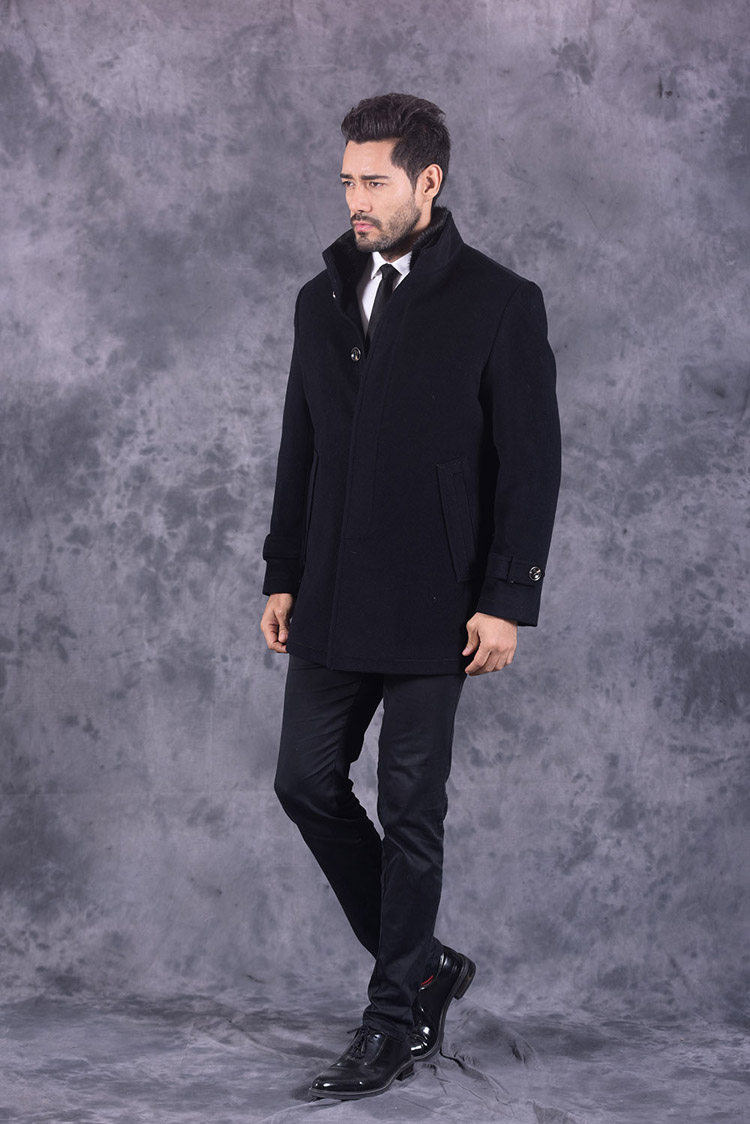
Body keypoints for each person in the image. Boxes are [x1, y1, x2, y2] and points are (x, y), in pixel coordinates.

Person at [260, 92, 561, 1100]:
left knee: (411, 808)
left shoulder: (500, 301)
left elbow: (530, 464)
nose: (355, 198)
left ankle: (393, 1017)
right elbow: (300, 446)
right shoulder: (320, 298)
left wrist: (506, 597)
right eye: (346, 179)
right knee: (304, 780)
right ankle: (426, 964)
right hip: (332, 592)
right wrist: (283, 571)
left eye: (374, 181)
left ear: (428, 181)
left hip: (442, 603)